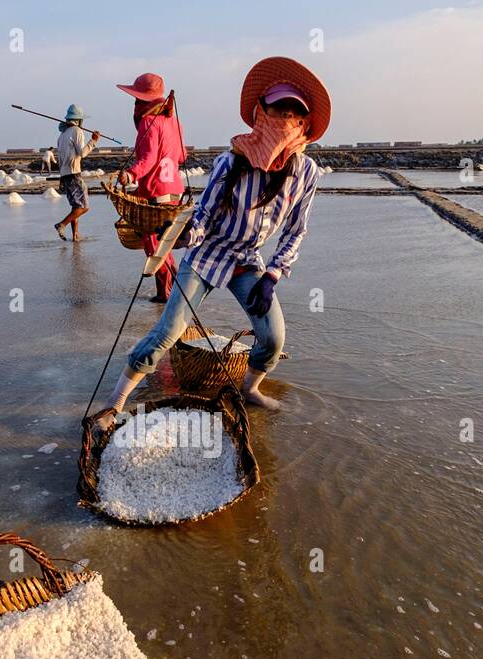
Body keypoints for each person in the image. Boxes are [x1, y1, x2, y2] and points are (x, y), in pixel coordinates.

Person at [98, 57, 330, 414]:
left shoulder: (307, 172)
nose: (285, 121)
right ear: (260, 114)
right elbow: (204, 217)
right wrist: (186, 234)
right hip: (207, 255)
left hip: (248, 260)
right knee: (168, 332)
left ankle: (251, 388)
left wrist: (272, 274)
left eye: (293, 114)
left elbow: (295, 230)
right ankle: (115, 402)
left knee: (272, 337)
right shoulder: (230, 162)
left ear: (303, 124)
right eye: (277, 110)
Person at [114, 72, 186, 302]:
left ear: (142, 101)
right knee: (162, 244)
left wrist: (129, 174)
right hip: (175, 192)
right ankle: (164, 292)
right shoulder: (173, 121)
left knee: (155, 248)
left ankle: (171, 294)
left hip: (156, 194)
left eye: (136, 100)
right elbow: (182, 155)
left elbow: (147, 160)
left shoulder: (148, 121)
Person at [54, 105, 100, 241]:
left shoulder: (62, 135)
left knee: (76, 206)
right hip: (74, 173)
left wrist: (61, 177)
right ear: (79, 120)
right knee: (84, 206)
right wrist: (93, 140)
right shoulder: (77, 131)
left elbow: (60, 159)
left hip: (65, 174)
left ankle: (75, 236)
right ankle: (61, 225)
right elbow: (82, 153)